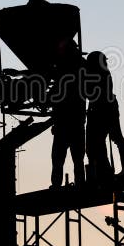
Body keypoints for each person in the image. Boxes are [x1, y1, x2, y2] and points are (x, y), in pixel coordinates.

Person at [84, 50, 124, 184]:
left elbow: (91, 94)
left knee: (109, 139)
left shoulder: (101, 74)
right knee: (107, 140)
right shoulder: (102, 73)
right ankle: (110, 170)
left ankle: (114, 170)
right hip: (106, 109)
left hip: (105, 110)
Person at [48, 39, 86, 189]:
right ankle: (79, 183)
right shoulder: (79, 66)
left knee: (59, 157)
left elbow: (56, 89)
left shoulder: (68, 69)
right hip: (74, 122)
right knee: (75, 157)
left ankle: (58, 184)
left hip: (65, 123)